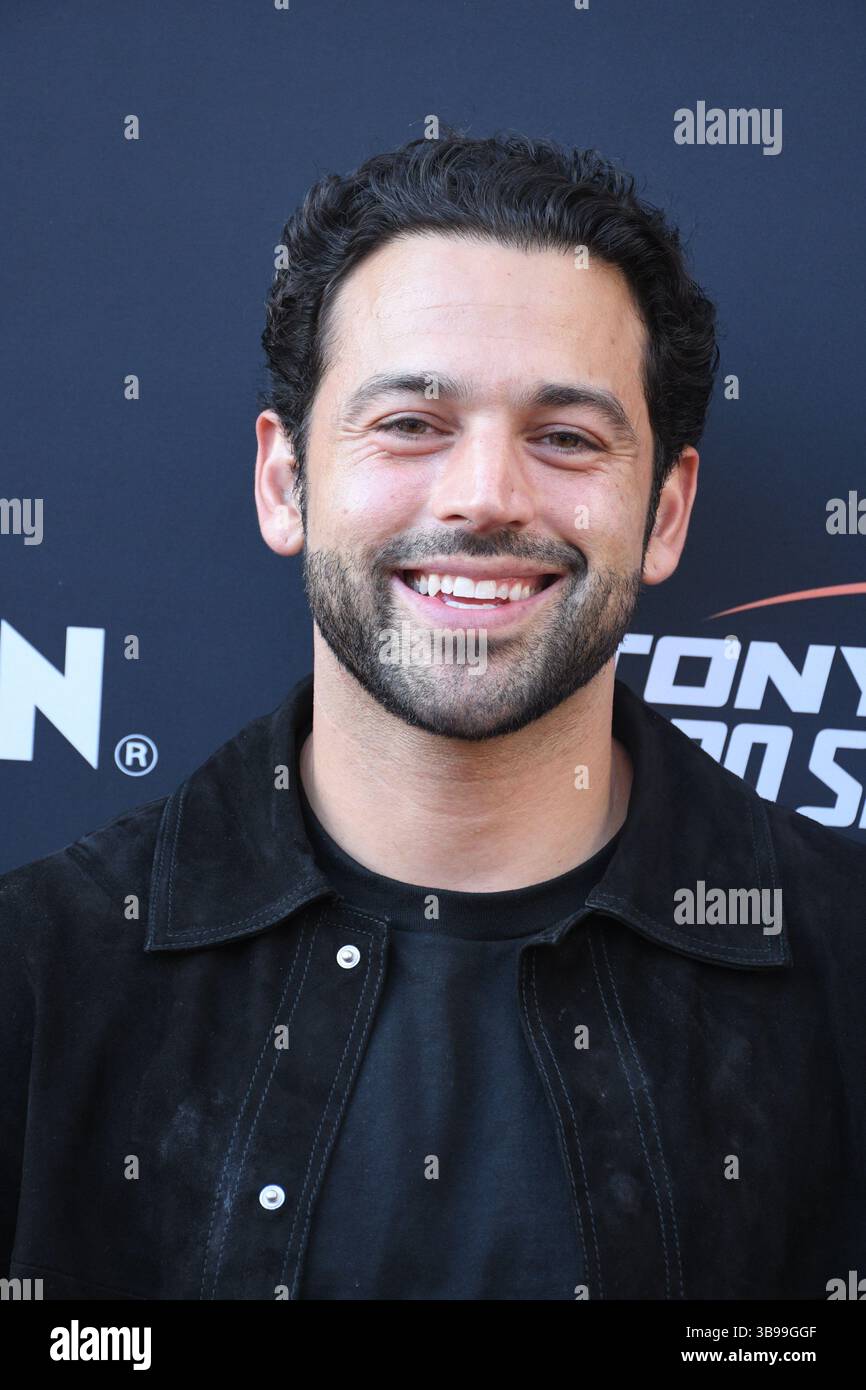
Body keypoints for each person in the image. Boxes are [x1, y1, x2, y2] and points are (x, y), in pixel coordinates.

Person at [1, 131, 863, 1301]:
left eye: (564, 437)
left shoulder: (841, 971)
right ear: (284, 481)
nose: (483, 498)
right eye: (409, 422)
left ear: (663, 513)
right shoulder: (42, 978)